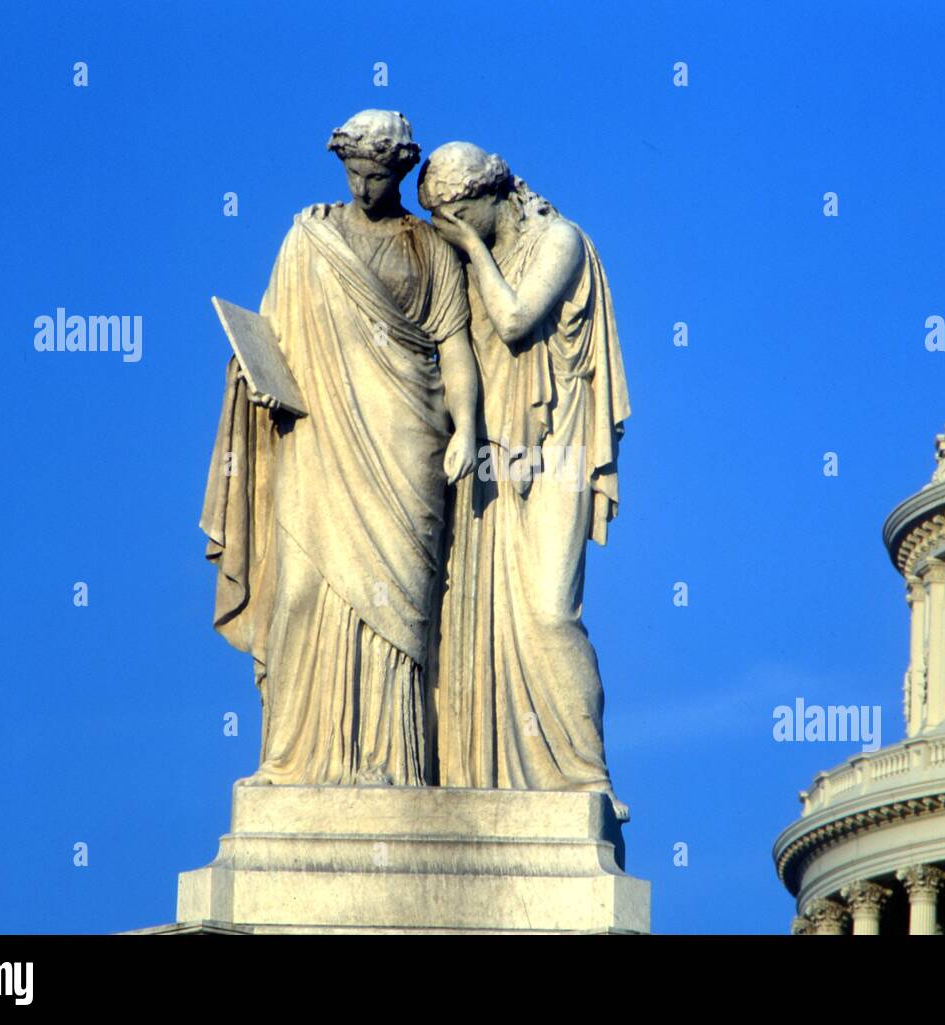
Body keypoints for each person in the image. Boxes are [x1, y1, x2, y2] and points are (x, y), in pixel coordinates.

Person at [201, 111, 478, 787]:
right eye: (352, 171)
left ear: (402, 172)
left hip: (405, 441)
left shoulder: (431, 250)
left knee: (396, 613)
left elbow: (456, 349)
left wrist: (467, 428)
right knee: (299, 593)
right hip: (316, 437)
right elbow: (269, 334)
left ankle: (393, 763)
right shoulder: (308, 240)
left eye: (376, 174)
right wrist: (251, 377)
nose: (361, 184)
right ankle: (293, 759)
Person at [418, 142, 632, 819]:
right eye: (439, 218)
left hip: (557, 445)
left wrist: (473, 252)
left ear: (491, 194)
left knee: (547, 611)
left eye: (456, 213)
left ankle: (585, 773)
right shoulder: (459, 254)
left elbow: (513, 320)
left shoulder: (558, 240)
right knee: (472, 613)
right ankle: (480, 771)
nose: (448, 227)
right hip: (489, 449)